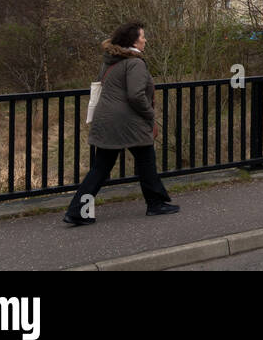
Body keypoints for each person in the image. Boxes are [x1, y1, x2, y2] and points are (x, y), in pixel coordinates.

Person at [63, 21, 180, 224]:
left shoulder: (111, 60)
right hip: (128, 122)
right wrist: (150, 113)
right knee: (146, 161)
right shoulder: (135, 63)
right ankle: (155, 203)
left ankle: (77, 210)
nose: (145, 40)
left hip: (108, 120)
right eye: (143, 36)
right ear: (134, 40)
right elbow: (136, 95)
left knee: (101, 167)